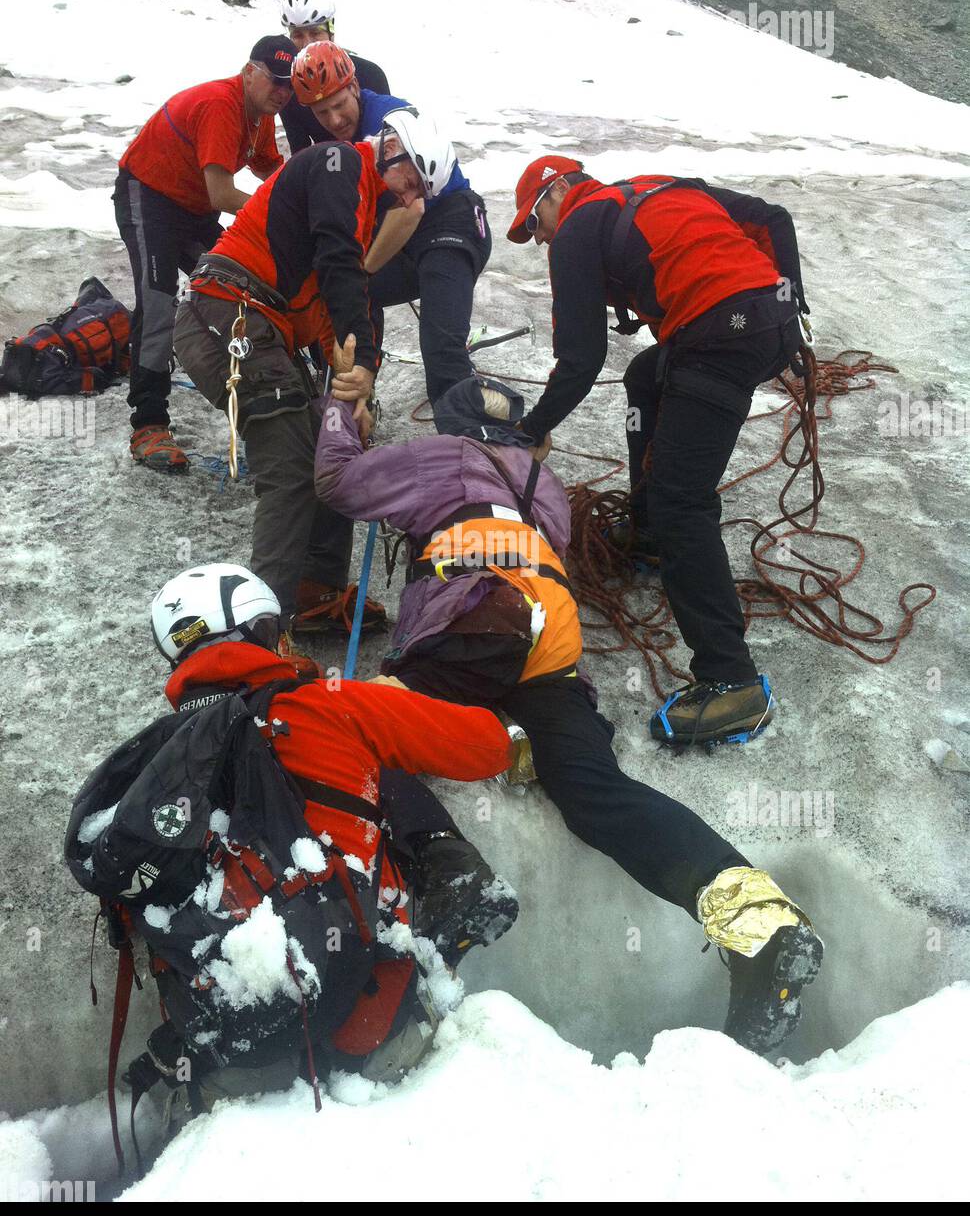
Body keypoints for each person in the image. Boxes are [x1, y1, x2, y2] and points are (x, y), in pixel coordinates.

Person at [314, 371, 824, 1056]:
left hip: (469, 621)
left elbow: (337, 483)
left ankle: (449, 870)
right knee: (594, 790)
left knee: (361, 732)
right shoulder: (539, 484)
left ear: (454, 423)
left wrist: (341, 411)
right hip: (549, 636)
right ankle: (762, 925)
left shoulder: (440, 455)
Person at [82, 561, 518, 1116]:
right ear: (264, 635)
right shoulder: (329, 704)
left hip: (230, 1046)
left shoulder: (151, 770)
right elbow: (486, 746)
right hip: (369, 1020)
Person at [506, 155, 816, 747]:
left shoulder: (575, 229)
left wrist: (534, 428)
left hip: (721, 334)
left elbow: (580, 359)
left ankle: (732, 682)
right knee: (646, 376)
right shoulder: (658, 187)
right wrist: (789, 301)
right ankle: (648, 534)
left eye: (535, 221)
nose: (539, 235)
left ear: (558, 193)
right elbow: (772, 219)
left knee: (683, 500)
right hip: (763, 318)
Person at [170, 113, 446, 642]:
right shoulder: (337, 162)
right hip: (227, 312)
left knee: (331, 435)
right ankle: (259, 633)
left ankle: (314, 588)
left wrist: (351, 396)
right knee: (292, 469)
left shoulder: (361, 202)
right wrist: (364, 358)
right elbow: (339, 264)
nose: (409, 192)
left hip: (257, 321)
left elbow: (325, 302)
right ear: (390, 146)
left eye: (418, 190)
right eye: (410, 176)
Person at [114, 36, 297, 472]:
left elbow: (272, 170)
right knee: (158, 300)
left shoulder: (261, 114)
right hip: (149, 196)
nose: (282, 93)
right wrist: (281, 216)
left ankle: (265, 390)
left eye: (289, 86)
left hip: (191, 207)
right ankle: (149, 424)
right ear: (250, 71)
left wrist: (308, 192)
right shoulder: (222, 105)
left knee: (236, 281)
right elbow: (223, 192)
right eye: (275, 81)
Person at [290, 41, 491, 403]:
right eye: (322, 113)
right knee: (344, 294)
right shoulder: (343, 133)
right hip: (411, 236)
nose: (334, 120)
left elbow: (409, 209)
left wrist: (361, 271)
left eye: (339, 105)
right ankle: (354, 392)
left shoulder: (386, 125)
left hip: (450, 222)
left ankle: (477, 444)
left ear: (354, 87)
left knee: (441, 348)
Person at [277, 0, 390, 156]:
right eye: (298, 35)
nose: (307, 44)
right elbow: (300, 153)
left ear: (331, 31)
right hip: (332, 168)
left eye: (315, 32)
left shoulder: (370, 74)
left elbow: (388, 142)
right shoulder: (289, 90)